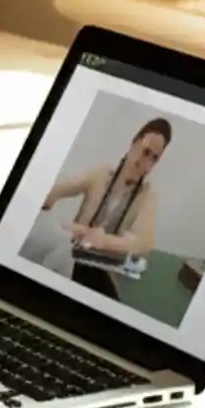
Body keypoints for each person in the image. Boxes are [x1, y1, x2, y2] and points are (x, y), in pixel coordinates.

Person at [39, 118, 173, 298]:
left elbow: (144, 244)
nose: (146, 163)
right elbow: (57, 191)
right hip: (71, 259)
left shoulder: (147, 198)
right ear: (133, 144)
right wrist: (58, 216)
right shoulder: (100, 174)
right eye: (145, 152)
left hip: (102, 273)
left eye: (154, 158)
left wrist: (103, 241)